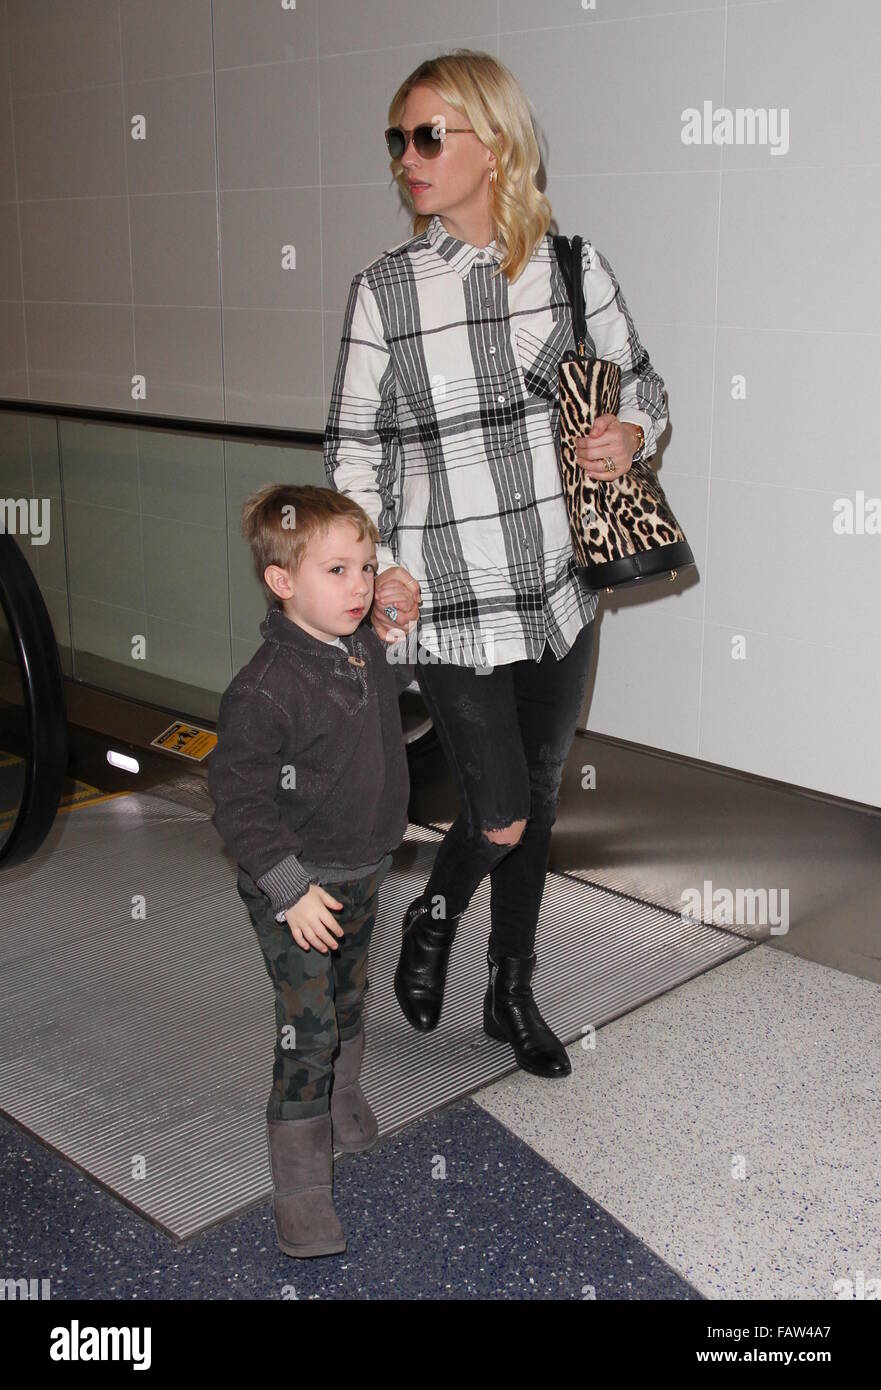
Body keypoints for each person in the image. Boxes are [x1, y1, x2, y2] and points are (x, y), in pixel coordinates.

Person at [324, 49, 669, 1079]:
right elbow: (351, 449)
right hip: (447, 593)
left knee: (542, 793)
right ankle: (435, 909)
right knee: (504, 807)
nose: (407, 159)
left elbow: (640, 383)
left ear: (495, 143)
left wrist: (632, 434)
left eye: (429, 136)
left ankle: (509, 989)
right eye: (398, 140)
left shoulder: (571, 269)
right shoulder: (384, 291)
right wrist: (375, 562)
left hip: (559, 586)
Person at [206, 483, 415, 1258]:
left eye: (365, 566)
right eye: (338, 570)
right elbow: (235, 800)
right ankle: (300, 1189)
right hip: (294, 885)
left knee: (349, 992)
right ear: (282, 581)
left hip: (362, 872)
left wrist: (402, 637)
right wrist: (288, 888)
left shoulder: (359, 648)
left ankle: (345, 1093)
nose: (360, 584)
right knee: (307, 1026)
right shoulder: (264, 688)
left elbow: (401, 703)